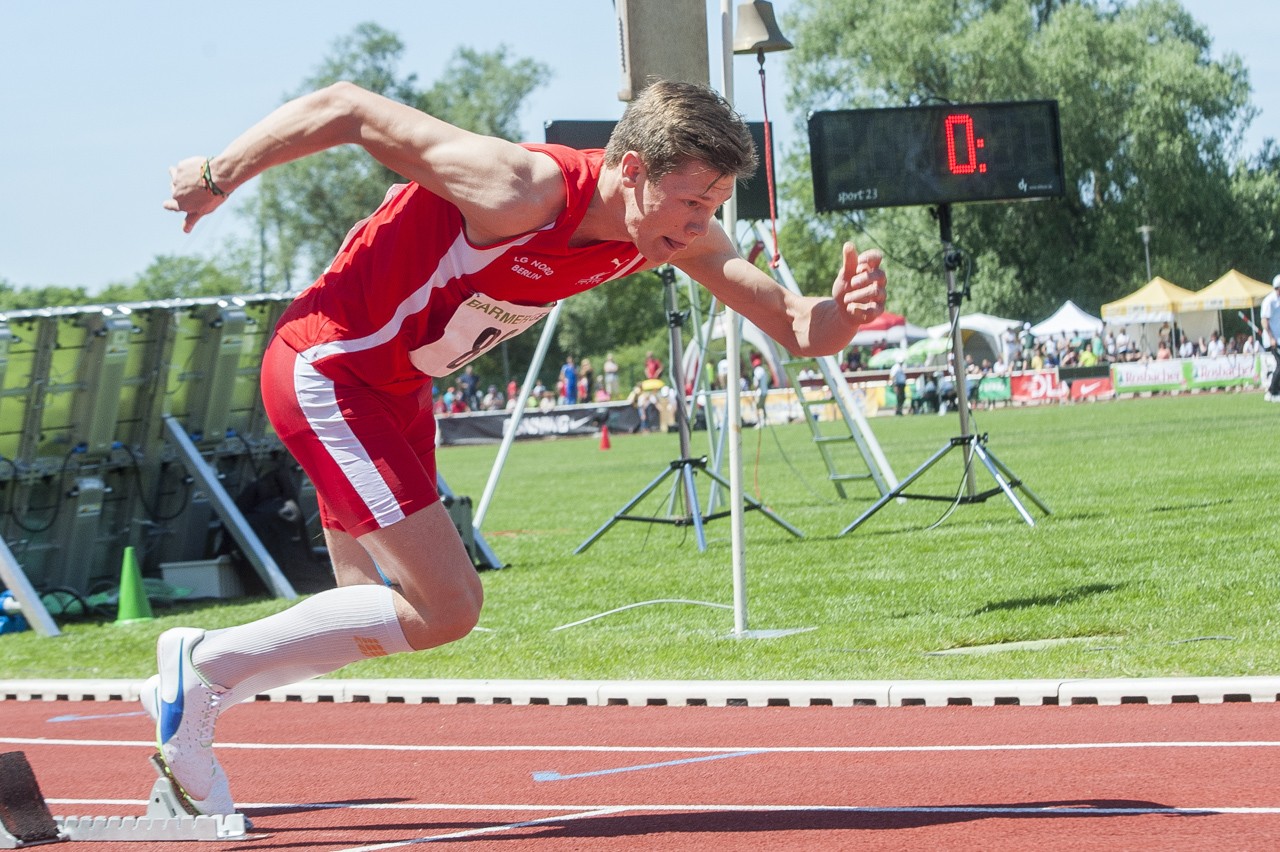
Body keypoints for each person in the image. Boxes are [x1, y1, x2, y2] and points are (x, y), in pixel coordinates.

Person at [152, 78, 887, 815]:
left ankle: (194, 706)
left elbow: (796, 325)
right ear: (631, 171)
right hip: (330, 369)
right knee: (449, 607)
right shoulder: (517, 189)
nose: (702, 226)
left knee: (363, 613)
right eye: (693, 202)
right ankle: (199, 668)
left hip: (398, 392)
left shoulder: (659, 234)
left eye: (715, 206)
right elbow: (346, 107)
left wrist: (844, 315)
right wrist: (219, 175)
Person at [1262, 275, 1280, 402]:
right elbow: (1264, 321)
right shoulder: (1269, 301)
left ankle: (1275, 391)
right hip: (1272, 340)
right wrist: (1271, 338)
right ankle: (1271, 392)